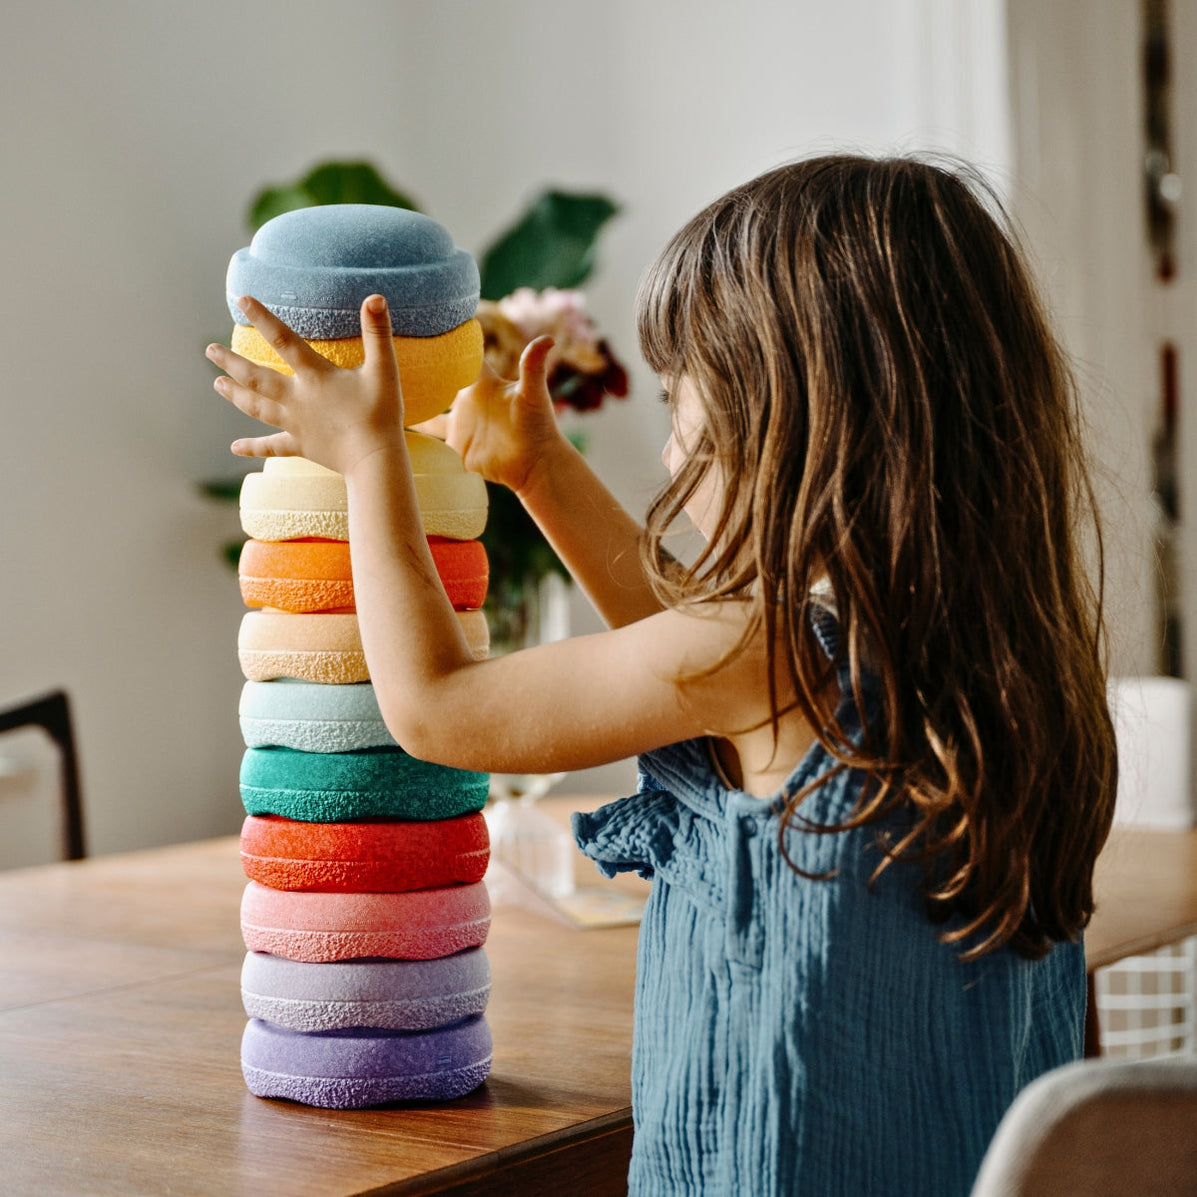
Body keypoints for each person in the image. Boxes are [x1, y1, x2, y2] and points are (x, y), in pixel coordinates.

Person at [208, 154, 1118, 1196]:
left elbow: (434, 711)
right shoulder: (992, 672)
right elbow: (689, 642)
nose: (675, 433)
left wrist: (370, 462)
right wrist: (543, 472)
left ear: (797, 418)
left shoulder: (758, 659)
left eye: (686, 397)